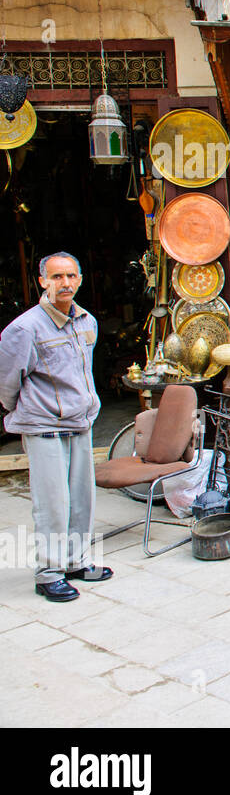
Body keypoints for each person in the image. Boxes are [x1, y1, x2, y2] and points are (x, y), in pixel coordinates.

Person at [0, 253, 111, 602]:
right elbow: (7, 384)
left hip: (80, 423)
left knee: (81, 500)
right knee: (52, 504)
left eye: (71, 276)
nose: (65, 283)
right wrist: (25, 410)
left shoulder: (87, 321)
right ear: (42, 282)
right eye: (57, 277)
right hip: (43, 425)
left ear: (79, 279)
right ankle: (48, 573)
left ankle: (75, 562)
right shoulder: (24, 329)